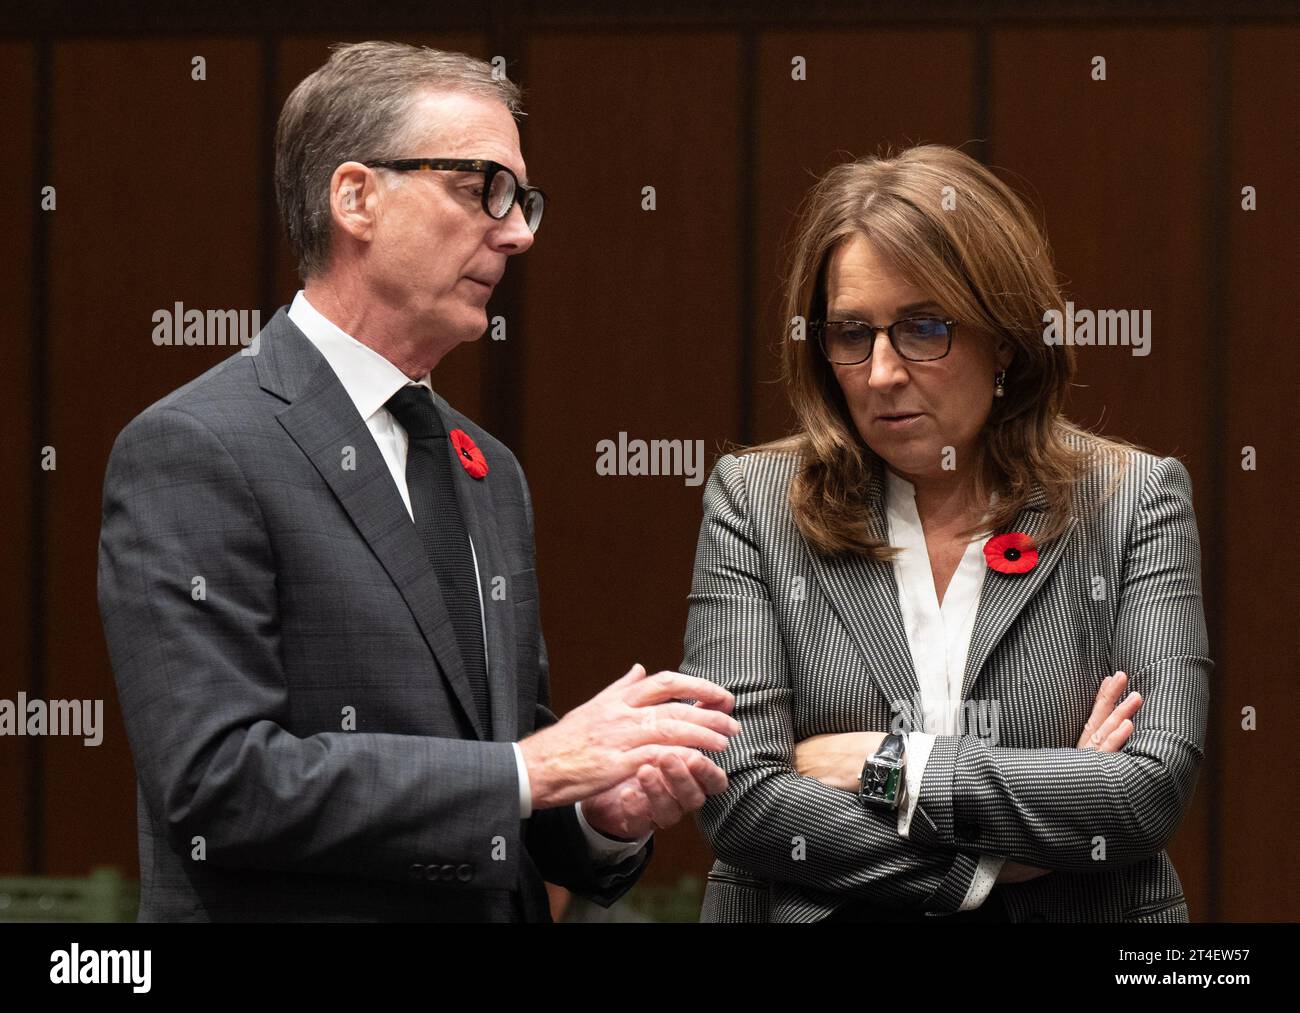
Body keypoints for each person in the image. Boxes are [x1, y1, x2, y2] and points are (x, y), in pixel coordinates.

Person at [96, 40, 738, 923]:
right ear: (356, 196)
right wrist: (537, 766)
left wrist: (596, 813)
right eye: (483, 187)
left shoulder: (489, 471)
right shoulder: (196, 446)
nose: (517, 231)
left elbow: (505, 780)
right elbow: (220, 782)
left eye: (522, 199)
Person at [683, 144, 1210, 923]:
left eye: (923, 327)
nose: (883, 371)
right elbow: (744, 797)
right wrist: (997, 859)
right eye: (851, 333)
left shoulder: (1130, 501)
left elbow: (1145, 792)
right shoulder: (758, 502)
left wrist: (892, 765)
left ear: (1004, 338)